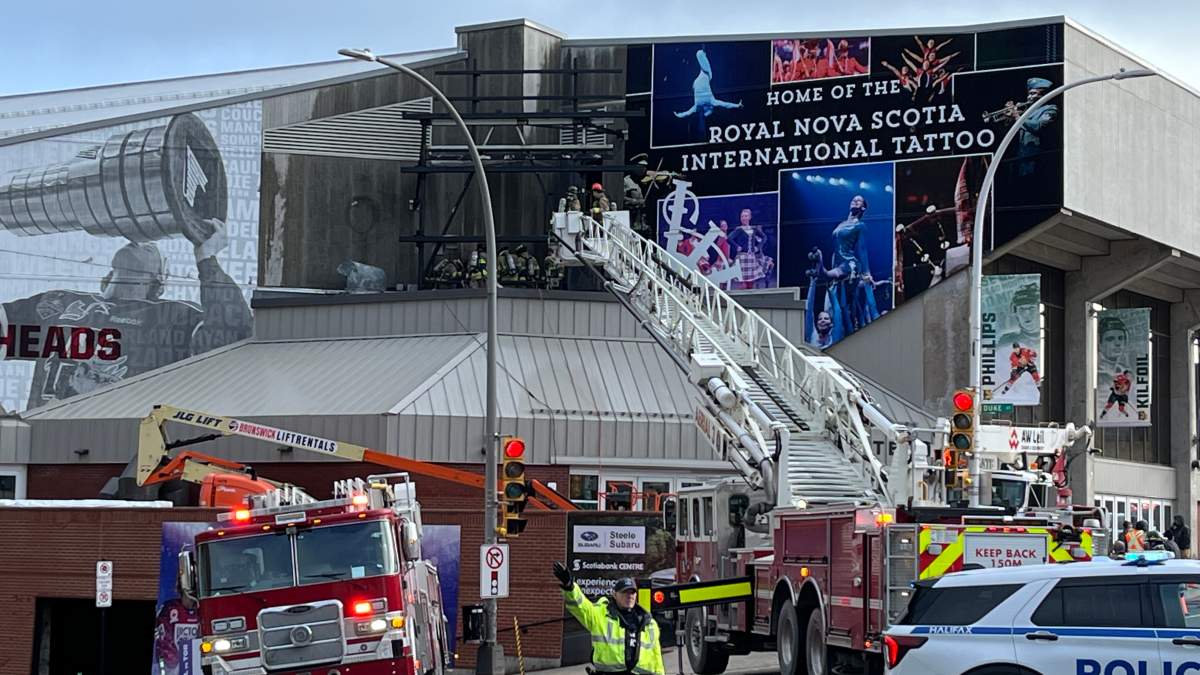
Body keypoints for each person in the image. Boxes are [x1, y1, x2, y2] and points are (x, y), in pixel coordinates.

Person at [1, 217, 251, 410]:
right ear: (105, 276)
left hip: (117, 448)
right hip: (43, 445)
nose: (139, 242)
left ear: (159, 283)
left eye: (151, 248)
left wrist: (207, 259)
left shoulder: (174, 316)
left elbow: (233, 330)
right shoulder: (58, 301)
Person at [553, 563, 665, 675]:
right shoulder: (601, 614)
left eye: (632, 592)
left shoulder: (649, 623)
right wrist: (570, 587)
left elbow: (657, 658)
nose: (629, 595)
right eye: (625, 592)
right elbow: (580, 606)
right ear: (614, 594)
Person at [1006, 77, 1058, 177]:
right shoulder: (1027, 112)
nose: (1029, 97)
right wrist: (1009, 119)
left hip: (1037, 162)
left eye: (1033, 93)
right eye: (1029, 93)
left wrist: (1017, 116)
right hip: (1021, 161)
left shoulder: (1050, 109)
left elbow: (1038, 126)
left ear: (1043, 95)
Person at [674, 49, 744, 122]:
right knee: (699, 53)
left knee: (699, 53)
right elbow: (726, 105)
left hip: (703, 76)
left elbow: (687, 113)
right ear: (710, 108)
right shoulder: (711, 102)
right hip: (706, 73)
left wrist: (679, 115)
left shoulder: (698, 106)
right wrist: (737, 105)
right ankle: (703, 53)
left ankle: (703, 53)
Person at [727, 208, 770, 290]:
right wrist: (737, 246)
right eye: (742, 216)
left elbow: (764, 237)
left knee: (750, 282)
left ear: (750, 217)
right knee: (742, 282)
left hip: (751, 257)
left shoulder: (753, 229)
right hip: (742, 257)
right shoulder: (739, 229)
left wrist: (758, 247)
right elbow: (729, 238)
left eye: (746, 216)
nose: (744, 218)